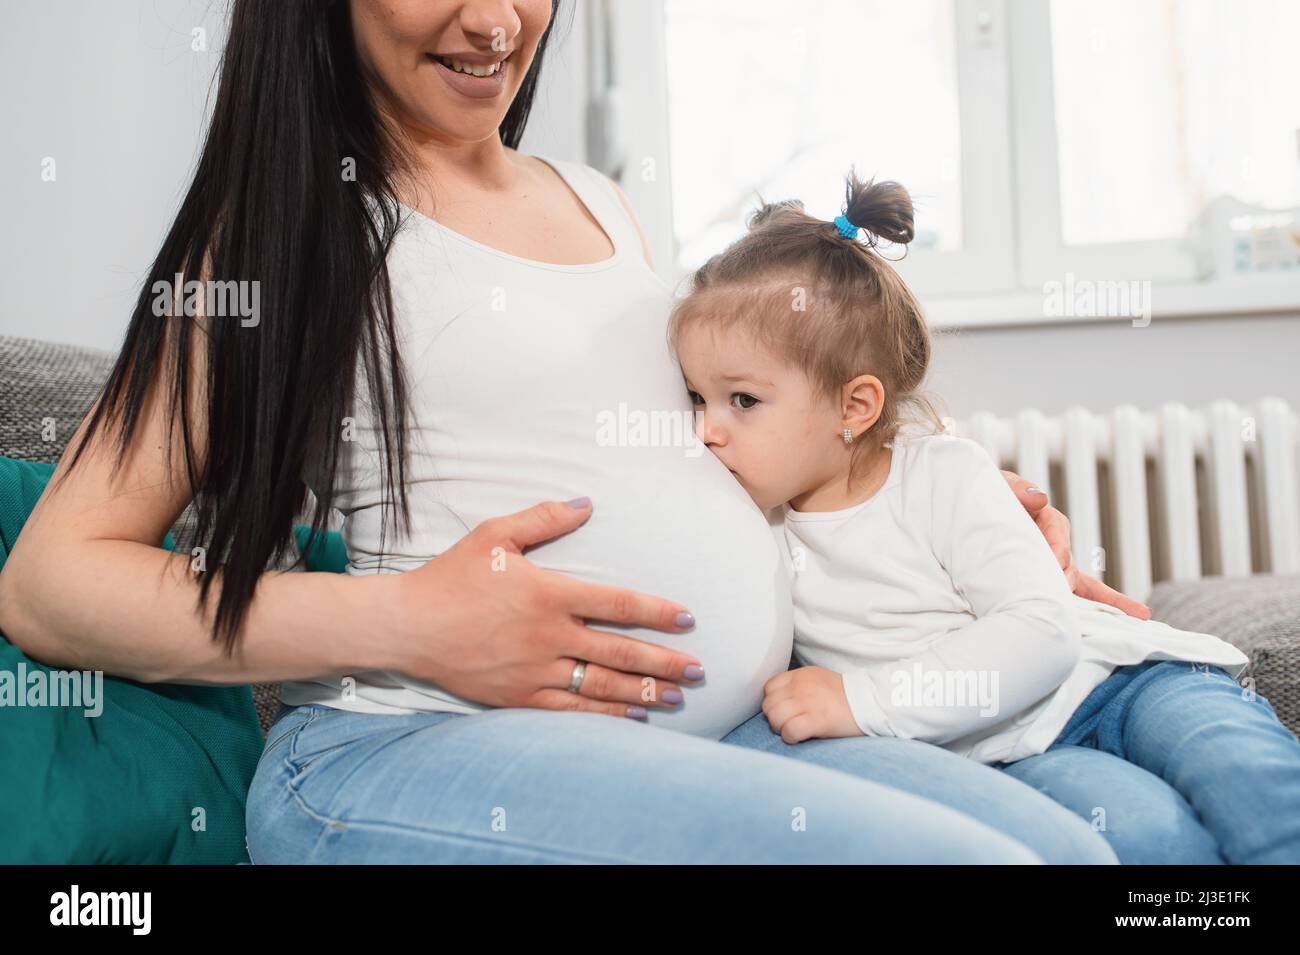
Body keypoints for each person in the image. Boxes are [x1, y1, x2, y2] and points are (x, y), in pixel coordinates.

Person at [0, 0, 1132, 863]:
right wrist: (411, 620)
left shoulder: (593, 196)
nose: (496, 23)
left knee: (1088, 851)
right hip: (401, 751)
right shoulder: (288, 234)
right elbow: (51, 584)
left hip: (701, 733)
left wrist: (941, 511)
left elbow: (742, 442)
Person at [670, 171, 1300, 864]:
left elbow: (1039, 630)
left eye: (743, 400)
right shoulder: (755, 527)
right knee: (1144, 838)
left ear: (855, 407)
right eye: (697, 398)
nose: (707, 429)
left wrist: (862, 700)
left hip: (1116, 681)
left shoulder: (944, 474)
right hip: (1010, 750)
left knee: (1248, 782)